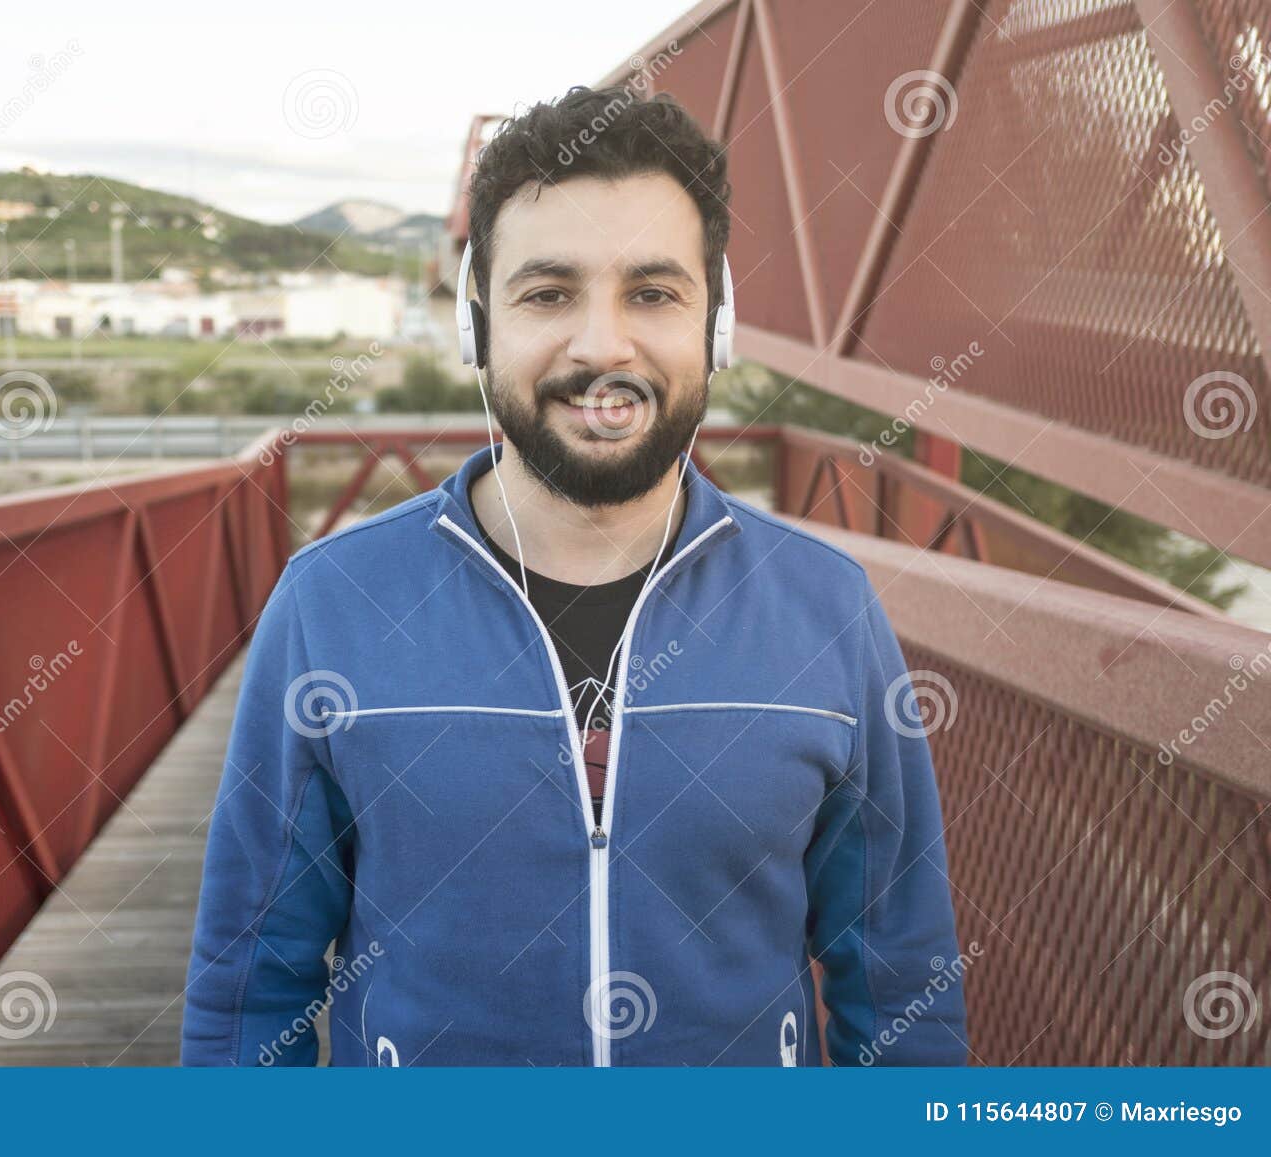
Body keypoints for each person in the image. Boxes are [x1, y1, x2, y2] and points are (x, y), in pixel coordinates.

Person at [180, 85, 967, 1066]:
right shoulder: (332, 604)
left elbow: (901, 989)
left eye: (653, 293)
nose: (601, 346)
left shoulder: (828, 607)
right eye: (548, 293)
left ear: (715, 326)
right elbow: (250, 994)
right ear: (477, 327)